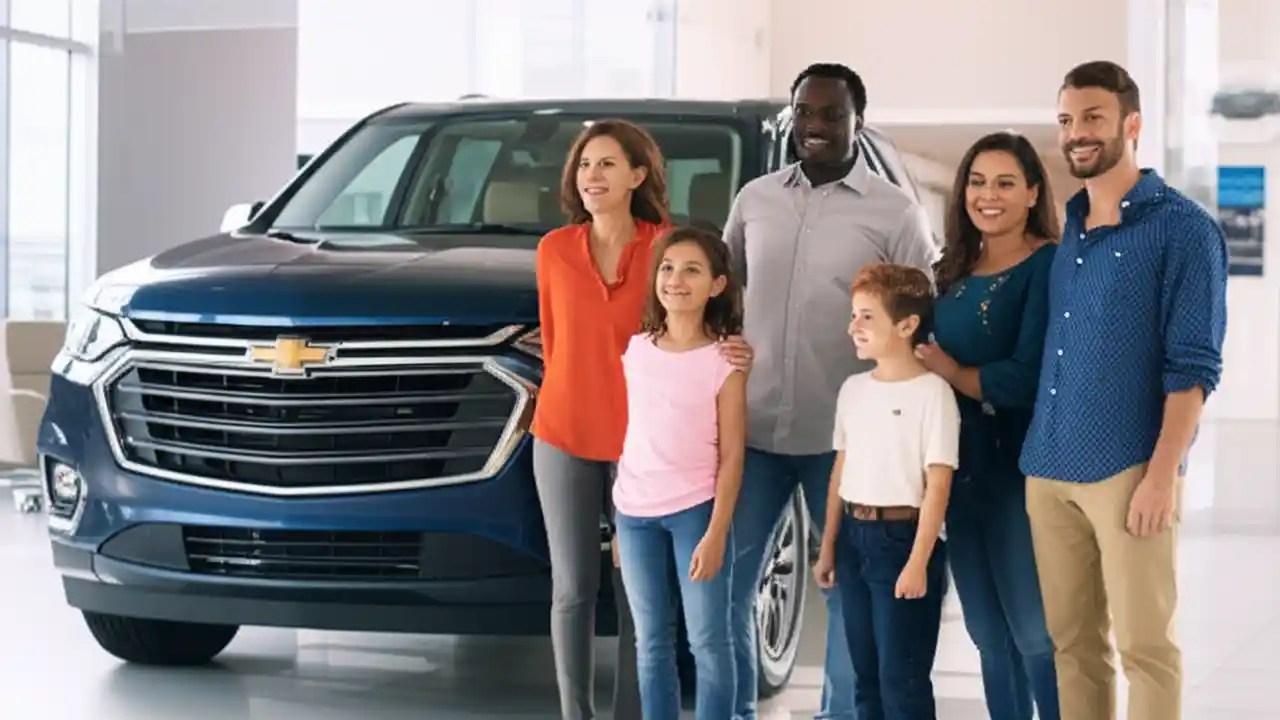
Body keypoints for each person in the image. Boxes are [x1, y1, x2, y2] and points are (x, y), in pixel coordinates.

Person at [721, 62, 938, 720]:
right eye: (805, 114)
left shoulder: (894, 211)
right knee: (725, 585)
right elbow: (721, 290)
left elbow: (920, 315)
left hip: (846, 444)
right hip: (754, 434)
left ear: (857, 123)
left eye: (831, 115)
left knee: (845, 590)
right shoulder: (753, 199)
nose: (815, 127)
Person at [1019, 60, 1228, 720]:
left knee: (1145, 647)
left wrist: (1163, 475)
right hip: (1047, 467)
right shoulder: (1070, 227)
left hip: (1128, 468)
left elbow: (1193, 367)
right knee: (1072, 646)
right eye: (1066, 121)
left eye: (1092, 118)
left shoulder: (1184, 229)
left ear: (1131, 124)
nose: (1076, 133)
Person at [532, 118, 753, 720]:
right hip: (563, 434)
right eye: (583, 165)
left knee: (641, 602)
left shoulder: (666, 247)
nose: (591, 176)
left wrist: (735, 350)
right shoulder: (553, 250)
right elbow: (556, 346)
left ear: (638, 175)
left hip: (645, 448)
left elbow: (696, 328)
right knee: (574, 589)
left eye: (606, 164)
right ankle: (575, 713)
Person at [914, 131, 1061, 720]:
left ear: (1031, 193)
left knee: (1032, 632)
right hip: (957, 468)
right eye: (977, 182)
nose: (987, 195)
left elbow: (1028, 374)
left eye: (1004, 183)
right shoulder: (951, 267)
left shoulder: (1046, 264)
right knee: (985, 634)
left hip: (1018, 467)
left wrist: (952, 370)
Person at [612, 225, 748, 720]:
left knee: (709, 640)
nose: (675, 279)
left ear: (716, 285)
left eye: (692, 269)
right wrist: (618, 526)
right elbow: (629, 437)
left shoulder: (724, 361)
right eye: (667, 268)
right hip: (633, 515)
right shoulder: (636, 351)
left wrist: (716, 534)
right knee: (651, 641)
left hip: (696, 512)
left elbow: (733, 455)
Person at [813, 263, 958, 720]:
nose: (852, 327)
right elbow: (841, 470)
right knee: (867, 678)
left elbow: (938, 484)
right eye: (854, 315)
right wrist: (829, 547)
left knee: (903, 681)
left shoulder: (933, 393)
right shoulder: (853, 390)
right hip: (855, 540)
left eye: (866, 317)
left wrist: (918, 562)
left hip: (904, 543)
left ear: (908, 324)